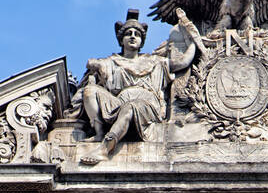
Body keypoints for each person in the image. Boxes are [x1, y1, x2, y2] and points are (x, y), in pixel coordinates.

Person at [75, 9, 196, 157]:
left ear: (141, 41)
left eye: (137, 34)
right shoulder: (111, 62)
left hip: (148, 106)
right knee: (90, 90)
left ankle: (105, 148)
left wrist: (193, 43)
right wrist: (95, 65)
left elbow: (183, 62)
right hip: (118, 103)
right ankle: (99, 133)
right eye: (128, 33)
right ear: (121, 40)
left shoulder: (155, 61)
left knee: (131, 107)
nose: (133, 36)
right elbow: (91, 66)